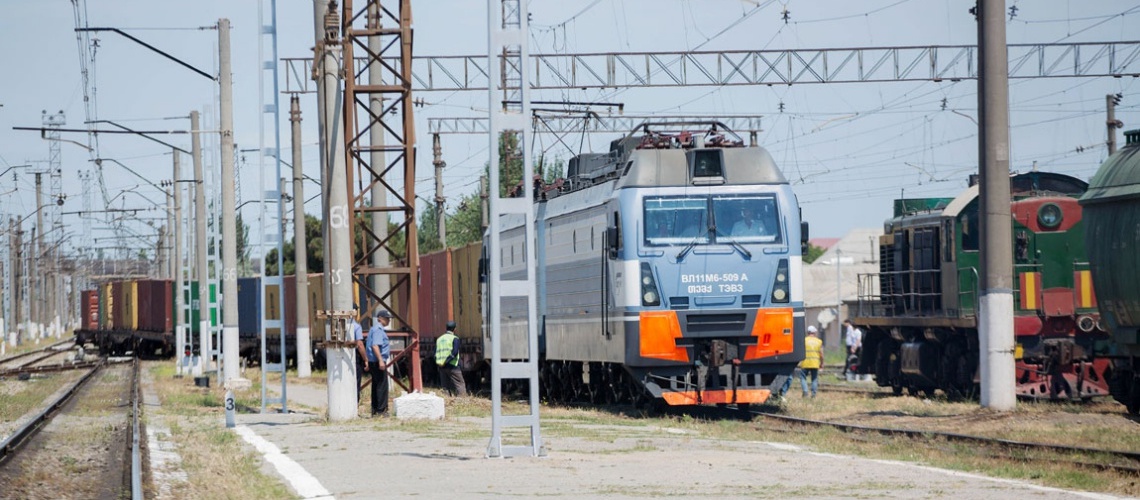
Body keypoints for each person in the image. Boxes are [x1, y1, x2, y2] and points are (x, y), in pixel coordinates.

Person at [367, 310, 392, 415]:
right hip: (378, 361)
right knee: (382, 386)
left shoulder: (375, 329)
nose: (389, 320)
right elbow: (375, 345)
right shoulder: (378, 330)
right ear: (380, 318)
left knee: (376, 385)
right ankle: (381, 410)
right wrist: (381, 360)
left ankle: (375, 409)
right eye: (387, 318)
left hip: (374, 361)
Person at [435, 321, 467, 397]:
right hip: (453, 366)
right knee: (460, 384)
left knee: (445, 387)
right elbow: (455, 352)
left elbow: (435, 353)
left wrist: (440, 363)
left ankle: (447, 401)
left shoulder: (439, 339)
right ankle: (461, 402)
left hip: (441, 366)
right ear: (455, 329)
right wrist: (447, 361)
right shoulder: (455, 338)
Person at [799, 326, 823, 398]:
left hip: (805, 362)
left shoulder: (804, 340)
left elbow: (800, 351)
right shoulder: (819, 341)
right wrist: (822, 363)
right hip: (815, 363)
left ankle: (805, 392)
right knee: (814, 378)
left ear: (808, 332)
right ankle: (813, 394)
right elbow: (821, 354)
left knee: (803, 377)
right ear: (815, 332)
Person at [350, 304, 367, 399]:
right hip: (354, 357)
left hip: (341, 356)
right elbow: (360, 344)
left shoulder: (339, 325)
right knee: (356, 382)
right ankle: (354, 404)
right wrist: (366, 359)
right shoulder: (356, 326)